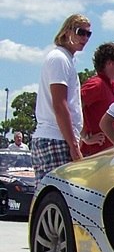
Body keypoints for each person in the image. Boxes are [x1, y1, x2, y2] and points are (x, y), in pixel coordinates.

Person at [30, 14, 91, 187]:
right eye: (80, 32)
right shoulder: (59, 59)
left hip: (57, 138)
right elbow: (60, 104)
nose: (84, 38)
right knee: (58, 200)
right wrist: (73, 145)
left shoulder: (66, 60)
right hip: (55, 140)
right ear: (67, 31)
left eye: (88, 34)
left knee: (51, 201)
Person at [79, 41, 114, 157]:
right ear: (109, 63)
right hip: (94, 155)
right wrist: (85, 136)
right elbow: (73, 107)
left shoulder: (110, 85)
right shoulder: (97, 84)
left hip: (106, 154)